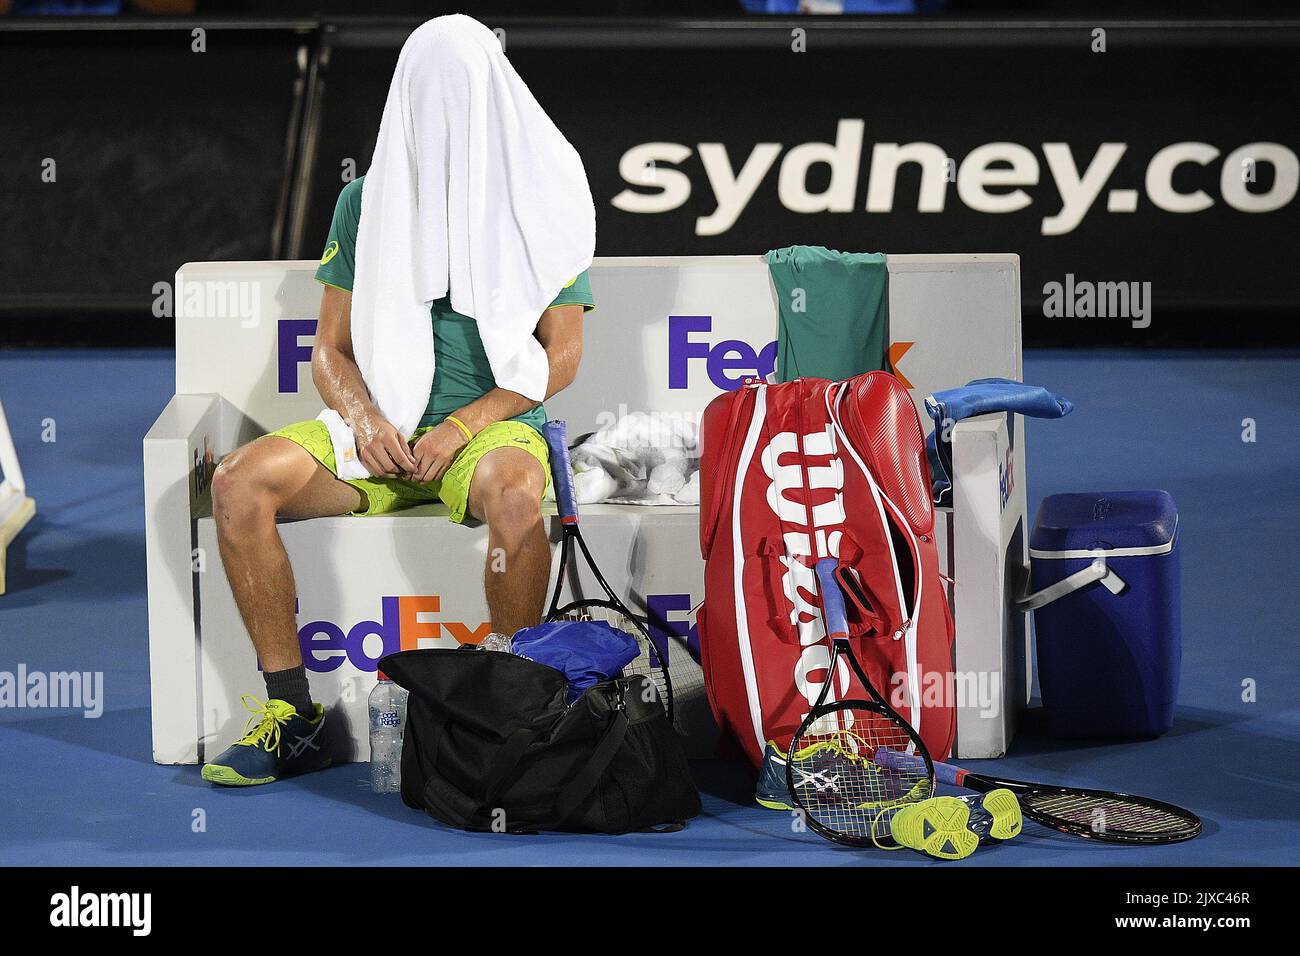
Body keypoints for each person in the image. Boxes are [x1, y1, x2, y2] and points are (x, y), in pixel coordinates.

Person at [202, 15, 595, 786]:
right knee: (238, 481)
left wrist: (459, 425)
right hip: (377, 435)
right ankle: (293, 713)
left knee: (517, 498)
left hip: (486, 431)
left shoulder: (544, 197)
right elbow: (330, 352)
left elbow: (564, 357)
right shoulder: (364, 201)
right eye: (430, 94)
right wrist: (365, 418)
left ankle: (518, 712)